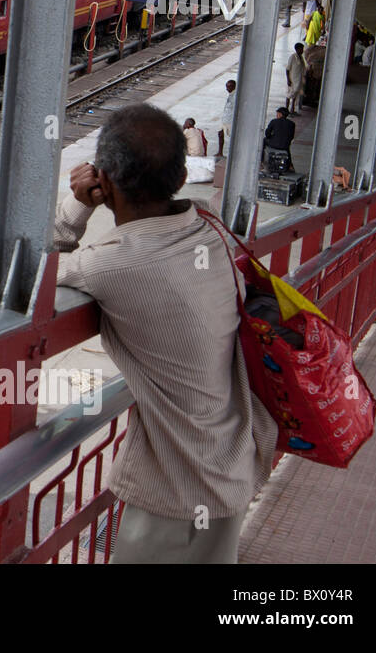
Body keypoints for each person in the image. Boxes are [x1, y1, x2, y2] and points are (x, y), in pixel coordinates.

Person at [56, 104, 277, 563]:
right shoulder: (212, 232)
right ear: (180, 179)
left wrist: (77, 204)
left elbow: (28, 276)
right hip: (233, 460)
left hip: (178, 487)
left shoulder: (113, 263)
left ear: (107, 182)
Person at [263, 107, 296, 173]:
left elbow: (267, 133)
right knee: (286, 147)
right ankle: (290, 165)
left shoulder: (274, 121)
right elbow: (291, 137)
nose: (276, 115)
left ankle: (261, 162)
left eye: (277, 113)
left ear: (280, 114)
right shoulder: (292, 124)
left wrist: (272, 137)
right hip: (285, 145)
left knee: (264, 141)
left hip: (274, 144)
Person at [285, 42, 307, 116]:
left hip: (299, 80)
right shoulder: (292, 57)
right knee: (289, 95)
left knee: (295, 96)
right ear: (297, 49)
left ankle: (292, 110)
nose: (302, 50)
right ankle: (286, 110)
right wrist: (288, 80)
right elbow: (287, 69)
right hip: (292, 80)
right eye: (301, 49)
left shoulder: (301, 58)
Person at [217, 79, 236, 157]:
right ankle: (220, 152)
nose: (227, 89)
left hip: (230, 120)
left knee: (232, 137)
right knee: (220, 133)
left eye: (229, 87)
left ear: (233, 87)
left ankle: (232, 153)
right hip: (225, 119)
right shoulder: (231, 94)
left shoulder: (235, 96)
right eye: (226, 87)